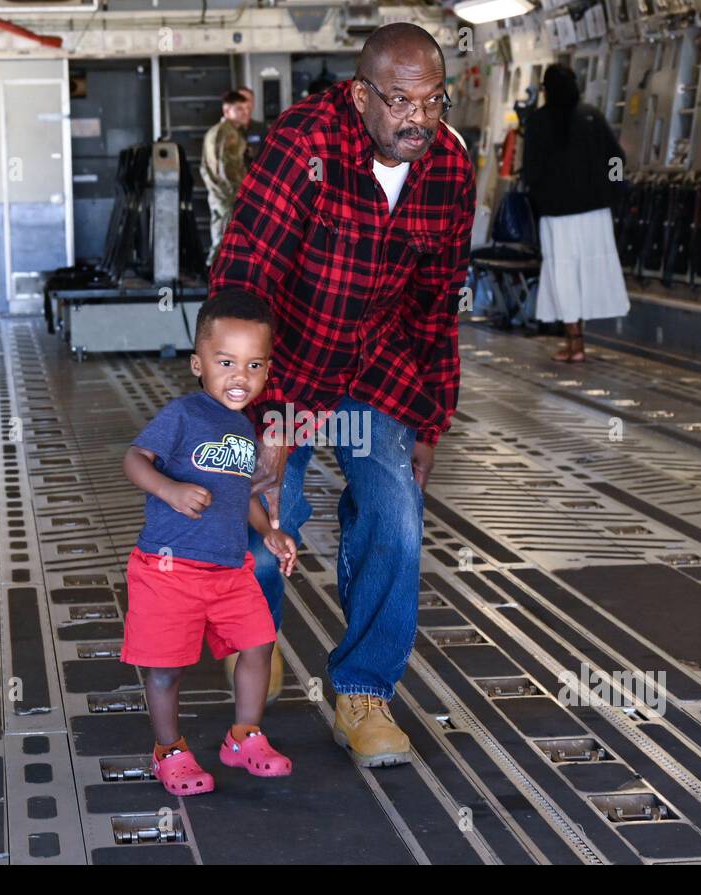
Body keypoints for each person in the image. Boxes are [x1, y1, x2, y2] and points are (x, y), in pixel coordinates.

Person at [210, 22, 476, 768]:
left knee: (396, 515)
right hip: (284, 366)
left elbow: (436, 302)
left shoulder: (449, 167)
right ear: (361, 95)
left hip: (374, 368)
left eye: (432, 101)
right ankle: (248, 666)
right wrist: (253, 410)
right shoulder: (304, 147)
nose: (417, 119)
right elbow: (243, 278)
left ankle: (362, 692)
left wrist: (432, 418)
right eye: (398, 101)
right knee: (267, 513)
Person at [121, 290, 298, 796]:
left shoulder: (243, 427)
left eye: (254, 365)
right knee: (165, 669)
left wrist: (269, 531)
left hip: (228, 569)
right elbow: (134, 460)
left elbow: (239, 492)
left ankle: (244, 736)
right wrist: (169, 489)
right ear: (199, 364)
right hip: (167, 570)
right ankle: (168, 750)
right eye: (226, 362)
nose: (240, 376)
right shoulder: (183, 415)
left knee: (259, 643)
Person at [521, 63, 630, 361]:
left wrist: (541, 196)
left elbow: (530, 172)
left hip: (557, 217)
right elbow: (616, 160)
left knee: (563, 272)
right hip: (595, 213)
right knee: (589, 270)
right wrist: (611, 193)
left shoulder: (538, 122)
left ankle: (574, 340)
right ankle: (581, 338)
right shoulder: (591, 116)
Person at [199, 90, 249, 266]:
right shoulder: (230, 134)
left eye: (246, 108)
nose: (245, 112)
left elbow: (205, 167)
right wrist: (242, 191)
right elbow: (228, 168)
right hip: (229, 195)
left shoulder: (215, 131)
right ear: (227, 112)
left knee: (220, 236)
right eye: (239, 109)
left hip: (217, 193)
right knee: (225, 241)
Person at [236, 85, 267, 166]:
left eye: (248, 100)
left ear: (253, 103)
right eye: (241, 100)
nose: (245, 104)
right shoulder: (227, 130)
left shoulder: (262, 128)